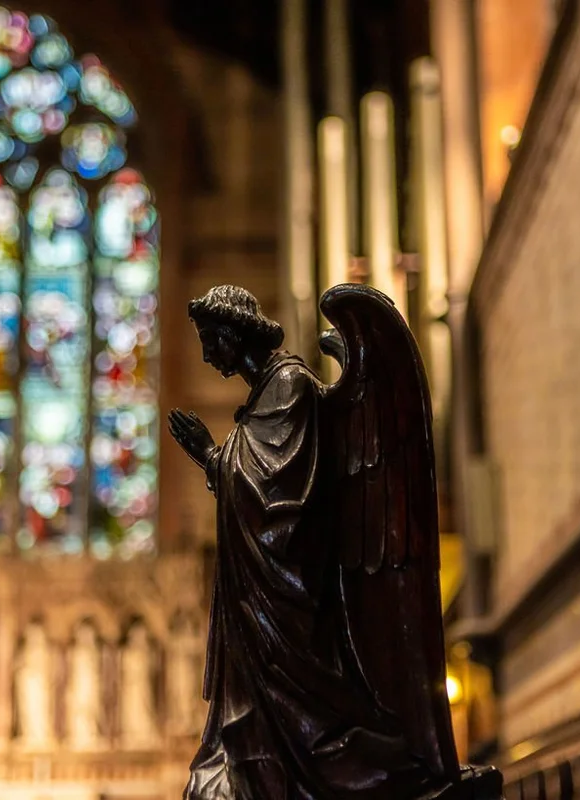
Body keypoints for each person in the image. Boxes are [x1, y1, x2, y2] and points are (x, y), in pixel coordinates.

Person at [168, 285, 443, 800]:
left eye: (210, 340)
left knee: (302, 727)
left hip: (286, 598)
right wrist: (217, 460)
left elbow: (281, 503)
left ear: (233, 332)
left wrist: (212, 457)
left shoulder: (290, 386)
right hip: (260, 604)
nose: (205, 354)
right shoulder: (263, 397)